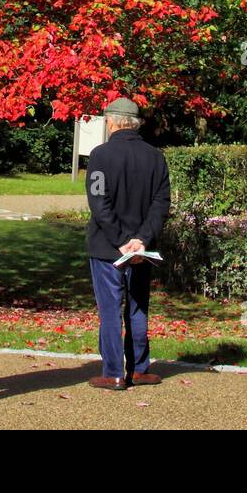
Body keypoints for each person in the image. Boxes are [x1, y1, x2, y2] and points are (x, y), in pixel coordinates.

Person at [85, 96, 170, 391]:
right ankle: (140, 368)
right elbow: (161, 203)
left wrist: (121, 240)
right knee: (137, 307)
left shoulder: (99, 156)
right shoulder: (156, 157)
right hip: (142, 250)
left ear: (112, 121)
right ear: (134, 123)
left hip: (107, 247)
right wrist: (141, 240)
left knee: (110, 310)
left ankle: (113, 372)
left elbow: (99, 202)